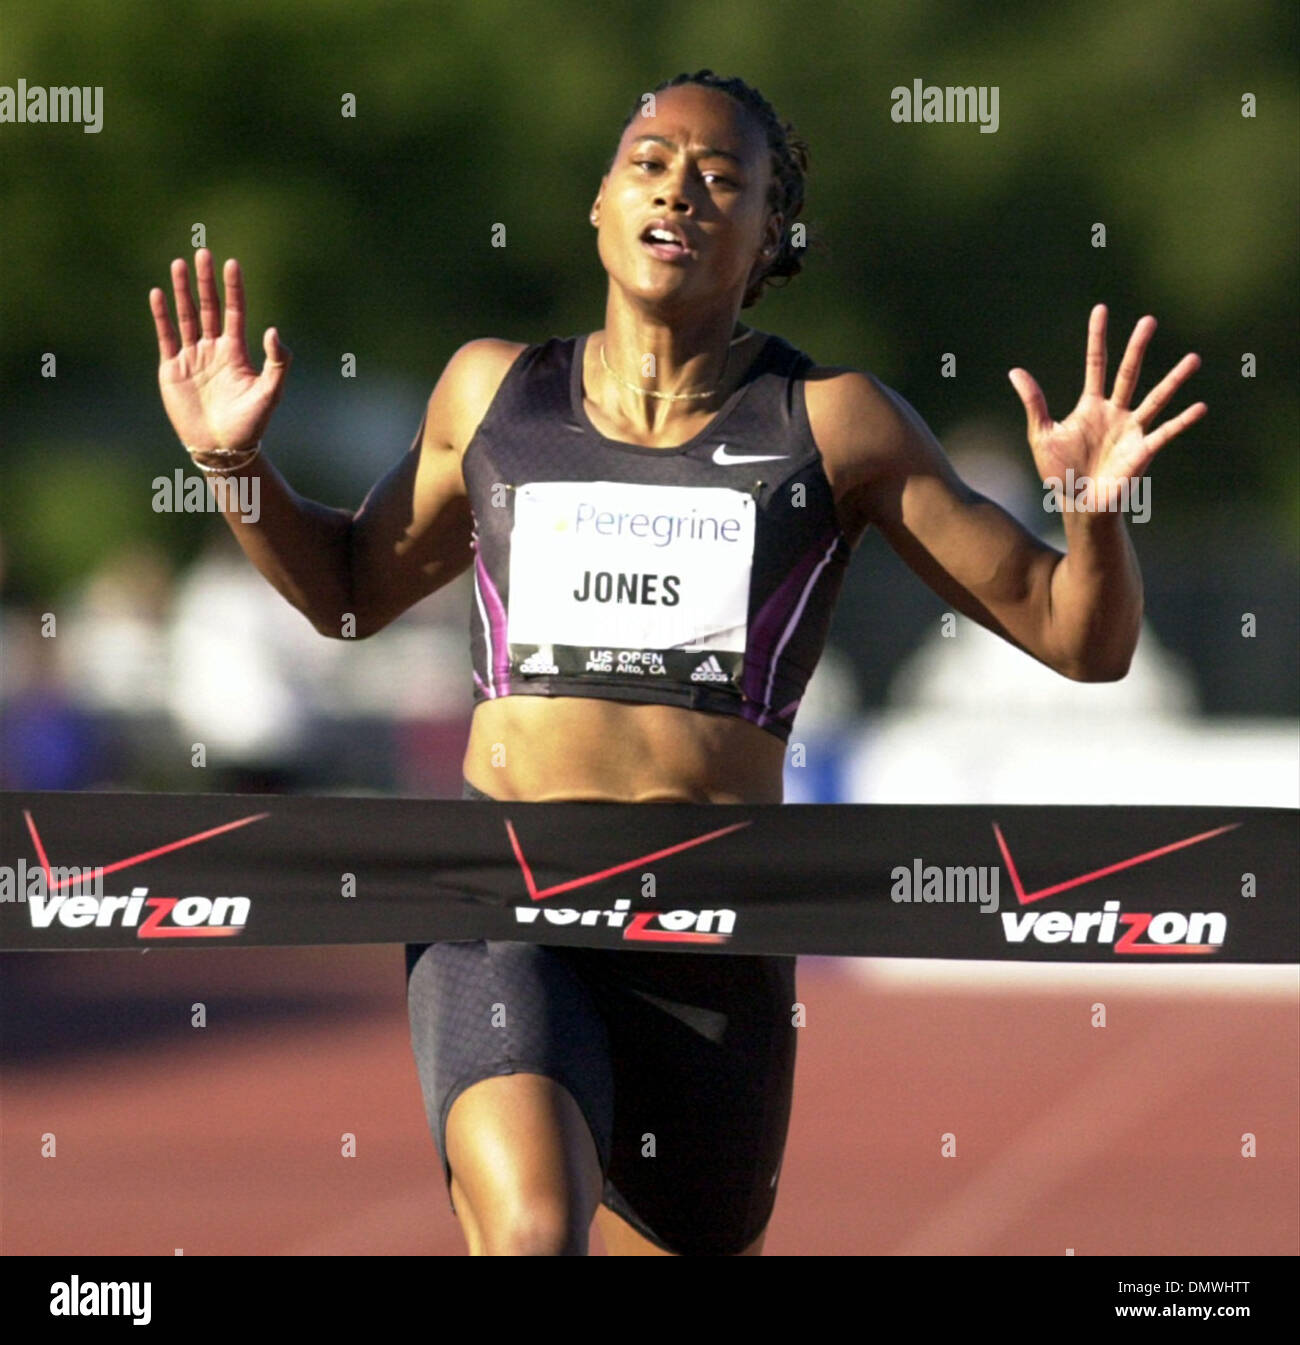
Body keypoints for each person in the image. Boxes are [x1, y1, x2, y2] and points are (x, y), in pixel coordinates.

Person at [147, 69, 1206, 1255]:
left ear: (768, 238)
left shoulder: (833, 423)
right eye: (648, 166)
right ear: (598, 206)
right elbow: (347, 598)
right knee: (534, 1232)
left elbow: (1081, 639)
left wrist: (1095, 515)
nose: (680, 193)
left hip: (714, 927)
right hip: (506, 898)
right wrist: (235, 470)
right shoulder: (493, 393)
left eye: (721, 181)